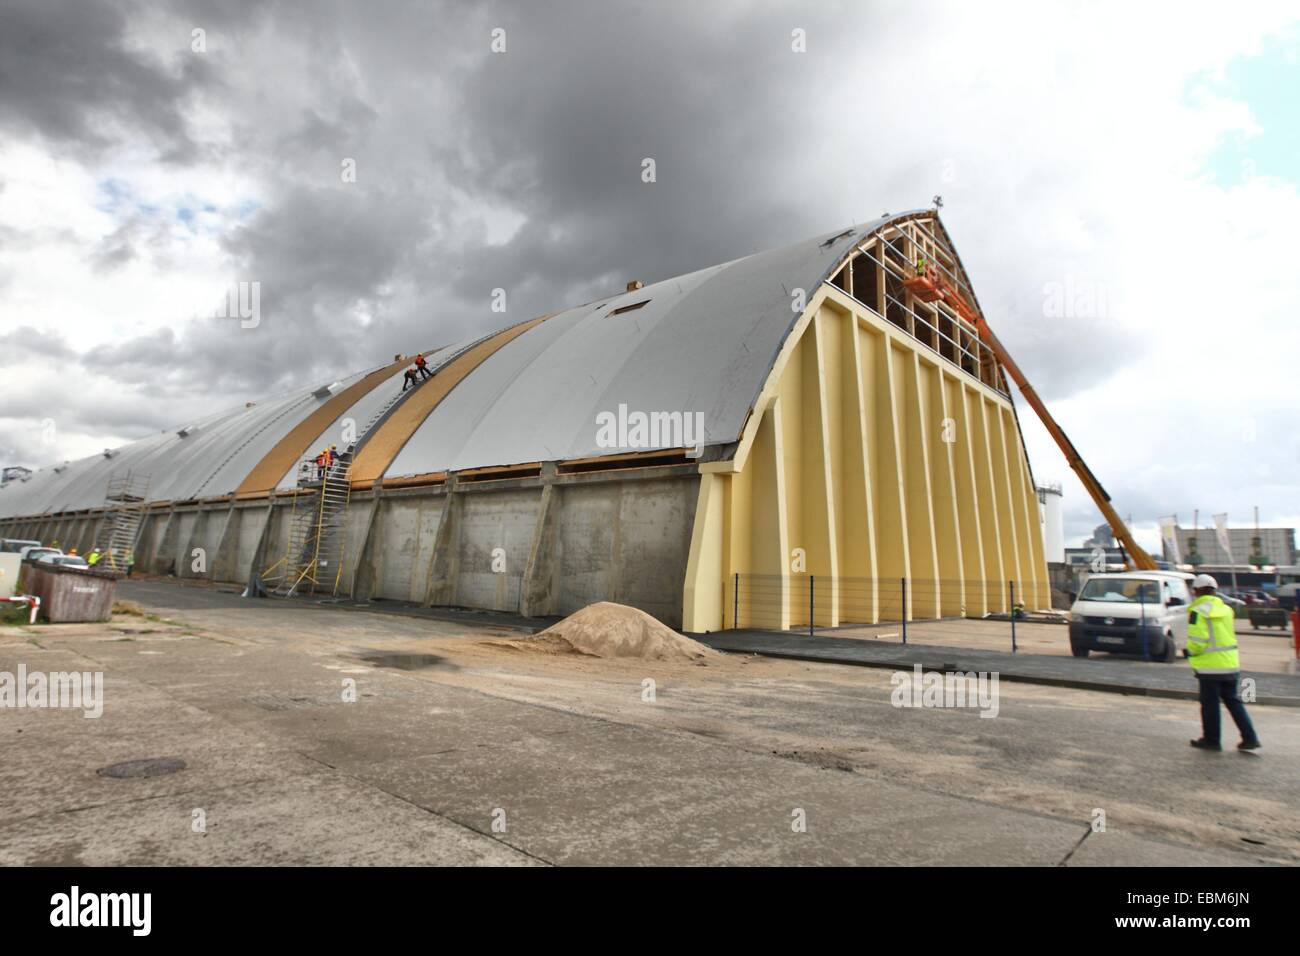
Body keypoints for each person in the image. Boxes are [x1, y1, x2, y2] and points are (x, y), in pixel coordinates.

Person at [1184, 574, 1261, 751]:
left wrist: (1190, 651)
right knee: (1234, 702)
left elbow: (1198, 641)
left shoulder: (1198, 612)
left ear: (1197, 591)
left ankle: (1211, 740)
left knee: (1210, 705)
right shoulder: (1226, 610)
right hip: (1230, 664)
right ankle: (1250, 738)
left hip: (1210, 668)